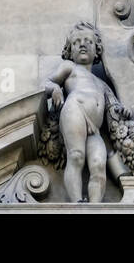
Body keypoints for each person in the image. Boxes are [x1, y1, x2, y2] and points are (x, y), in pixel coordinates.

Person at [44, 21, 113, 202]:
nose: (82, 45)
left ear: (97, 49)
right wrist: (55, 90)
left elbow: (116, 108)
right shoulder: (69, 67)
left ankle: (94, 205)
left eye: (87, 41)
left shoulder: (102, 83)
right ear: (70, 50)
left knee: (98, 164)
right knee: (76, 155)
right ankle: (76, 203)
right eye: (76, 42)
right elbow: (48, 83)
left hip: (95, 128)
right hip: (75, 110)